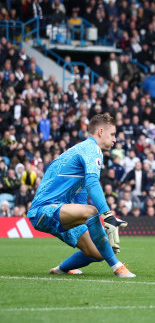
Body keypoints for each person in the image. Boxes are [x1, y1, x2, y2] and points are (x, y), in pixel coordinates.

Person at [27, 113, 136, 278]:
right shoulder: (92, 149)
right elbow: (93, 184)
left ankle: (61, 269)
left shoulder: (82, 150)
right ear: (100, 131)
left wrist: (98, 234)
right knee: (92, 211)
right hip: (45, 210)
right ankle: (117, 267)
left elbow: (81, 196)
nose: (115, 140)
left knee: (99, 252)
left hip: (60, 210)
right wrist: (108, 216)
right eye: (112, 134)